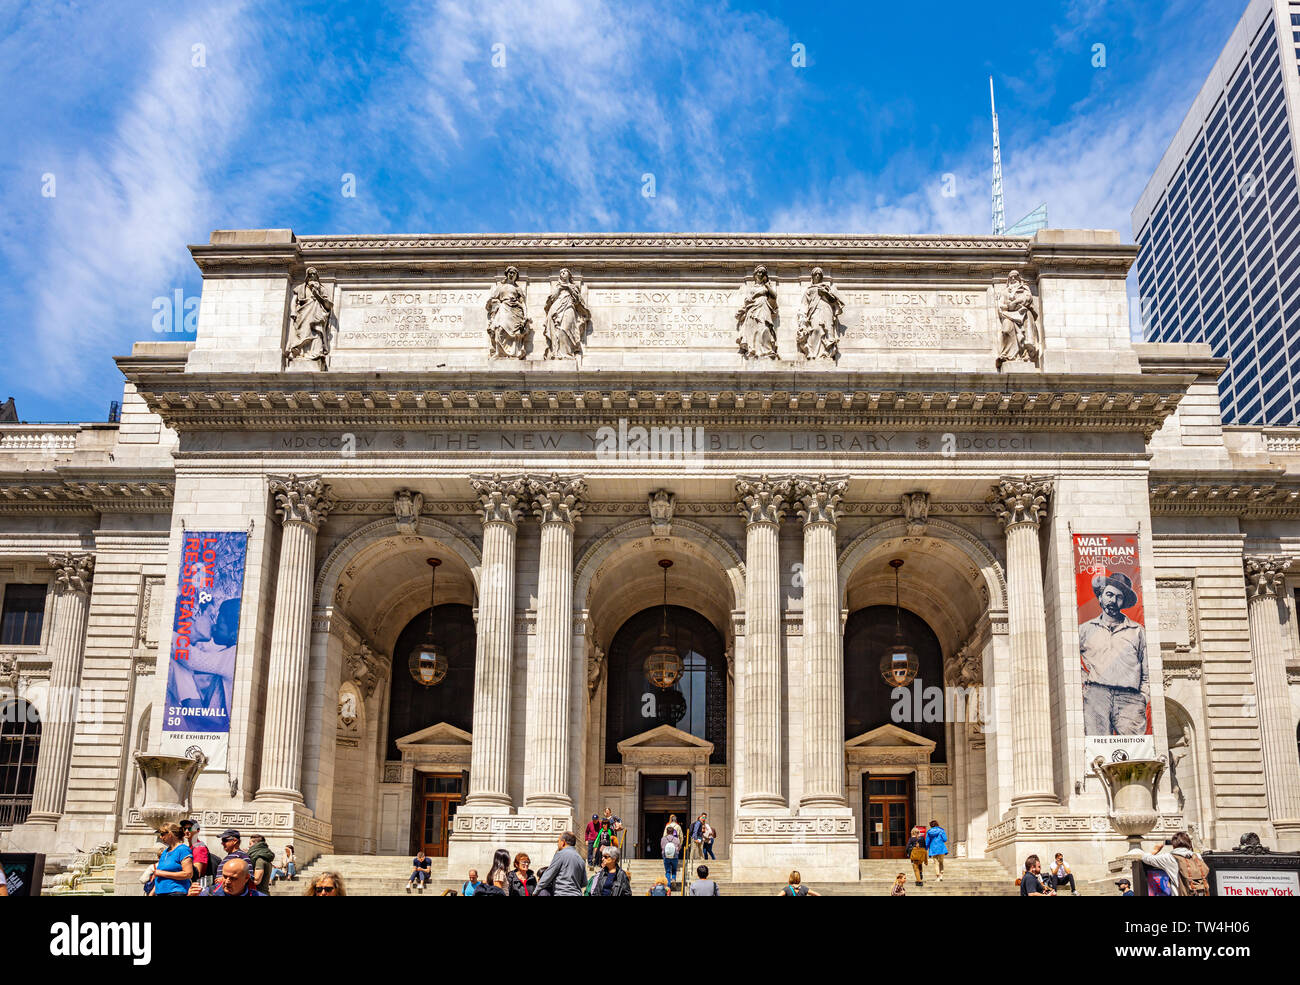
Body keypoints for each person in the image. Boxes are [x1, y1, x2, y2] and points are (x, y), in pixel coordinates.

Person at [1080, 570, 1149, 737]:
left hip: (1130, 698)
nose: (1113, 600)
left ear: (1123, 602)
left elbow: (1147, 669)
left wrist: (1143, 698)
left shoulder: (1137, 631)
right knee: (1097, 753)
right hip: (1096, 696)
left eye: (1118, 597)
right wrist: (1085, 686)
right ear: (1100, 597)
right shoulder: (1084, 629)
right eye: (1109, 594)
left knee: (1135, 753)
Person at [1141, 831, 1208, 897]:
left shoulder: (1169, 858)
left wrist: (1155, 850)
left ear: (1174, 845)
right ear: (1189, 843)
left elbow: (1145, 858)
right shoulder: (1197, 856)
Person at [535, 832, 588, 897]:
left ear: (563, 842)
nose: (557, 844)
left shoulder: (560, 854)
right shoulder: (580, 859)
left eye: (558, 841)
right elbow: (584, 882)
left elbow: (548, 875)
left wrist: (535, 891)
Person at [152, 822, 193, 896]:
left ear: (170, 834)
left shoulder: (183, 849)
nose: (161, 837)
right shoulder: (165, 852)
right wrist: (152, 893)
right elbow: (159, 874)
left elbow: (188, 874)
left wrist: (162, 873)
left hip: (176, 892)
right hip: (160, 892)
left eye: (162, 834)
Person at [194, 857, 267, 897]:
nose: (227, 881)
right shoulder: (208, 893)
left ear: (246, 878)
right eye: (225, 877)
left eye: (233, 878)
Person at [182, 820, 210, 886]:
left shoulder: (199, 848)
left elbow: (197, 874)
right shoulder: (191, 847)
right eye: (184, 829)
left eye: (190, 829)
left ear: (197, 831)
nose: (186, 831)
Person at [925, 818, 948, 883]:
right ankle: (941, 875)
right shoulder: (941, 831)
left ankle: (937, 876)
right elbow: (945, 839)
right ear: (937, 824)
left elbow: (927, 841)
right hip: (941, 848)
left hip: (933, 849)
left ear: (931, 825)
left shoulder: (929, 832)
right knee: (941, 862)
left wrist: (926, 848)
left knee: (936, 863)